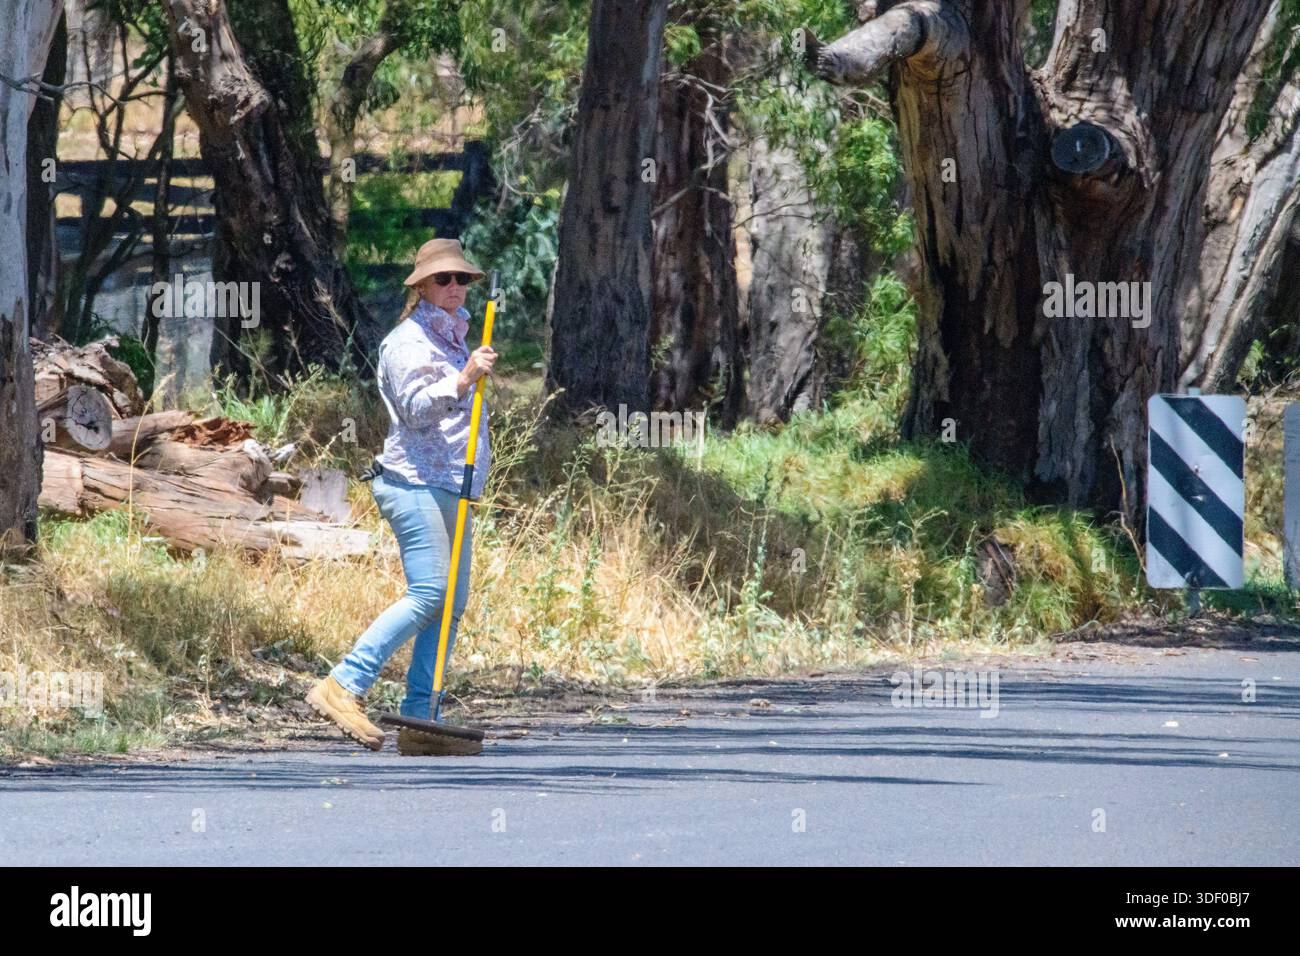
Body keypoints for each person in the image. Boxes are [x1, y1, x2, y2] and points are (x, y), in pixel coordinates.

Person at [306, 238, 497, 754]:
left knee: (450, 604)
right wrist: (463, 380)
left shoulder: (456, 338)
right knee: (431, 592)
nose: (455, 287)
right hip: (412, 482)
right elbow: (415, 409)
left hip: (453, 486)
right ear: (421, 287)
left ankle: (421, 718)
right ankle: (342, 685)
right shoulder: (407, 342)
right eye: (443, 279)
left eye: (462, 279)